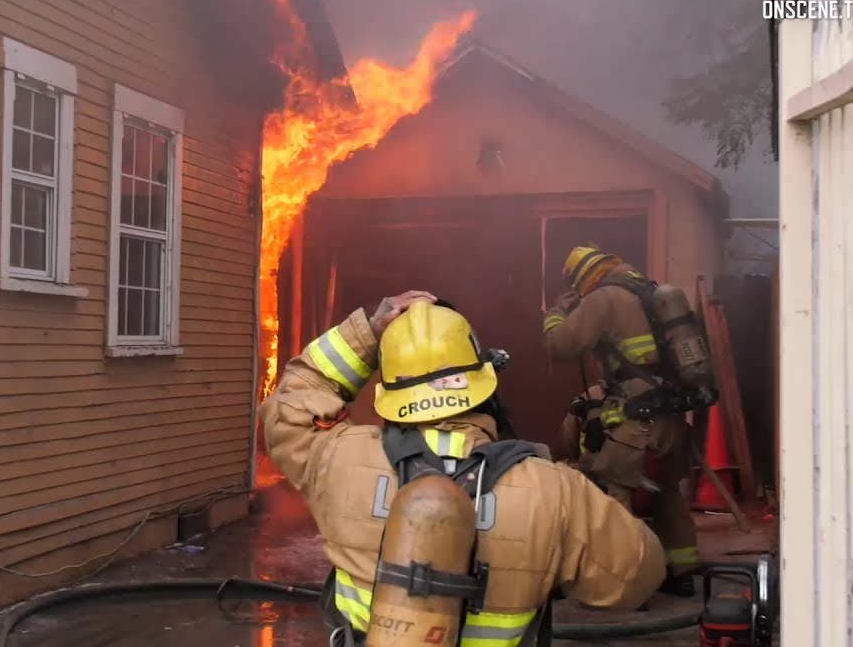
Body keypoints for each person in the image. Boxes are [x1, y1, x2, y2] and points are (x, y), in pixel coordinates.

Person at [260, 290, 665, 646]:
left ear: (389, 391)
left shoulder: (339, 459)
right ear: (484, 381)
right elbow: (636, 579)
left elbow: (289, 404)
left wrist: (368, 333)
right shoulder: (554, 490)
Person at [541, 247, 701, 597]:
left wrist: (557, 312)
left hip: (638, 423)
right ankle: (682, 571)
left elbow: (563, 344)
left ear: (582, 278)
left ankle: (630, 581)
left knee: (615, 495)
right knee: (667, 494)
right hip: (672, 419)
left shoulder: (604, 298)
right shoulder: (650, 293)